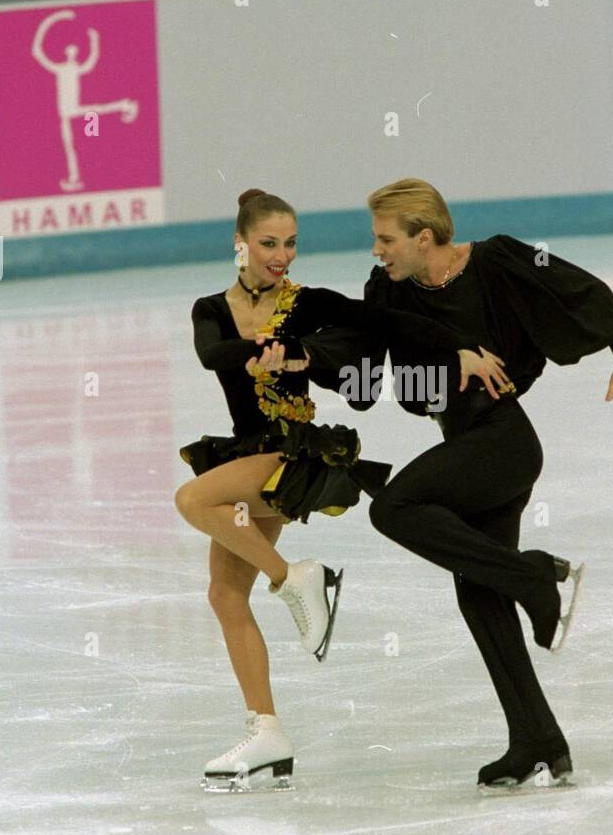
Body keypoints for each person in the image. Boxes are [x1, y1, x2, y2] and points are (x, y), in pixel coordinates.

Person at [300, 179, 613, 791]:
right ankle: (537, 741)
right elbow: (389, 378)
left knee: (396, 509)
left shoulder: (499, 259)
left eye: (385, 238)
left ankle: (539, 576)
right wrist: (305, 358)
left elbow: (575, 288)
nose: (376, 250)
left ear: (423, 237)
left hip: (504, 444)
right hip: (466, 445)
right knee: (478, 594)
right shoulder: (389, 291)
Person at [175, 187, 487, 793]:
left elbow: (386, 321)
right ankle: (267, 732)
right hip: (246, 453)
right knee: (223, 595)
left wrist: (456, 348)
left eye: (290, 244)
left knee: (194, 501)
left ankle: (295, 578)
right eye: (269, 243)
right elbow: (215, 355)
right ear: (241, 243)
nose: (281, 256)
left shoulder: (308, 303)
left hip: (293, 455)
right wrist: (265, 352)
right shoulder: (209, 307)